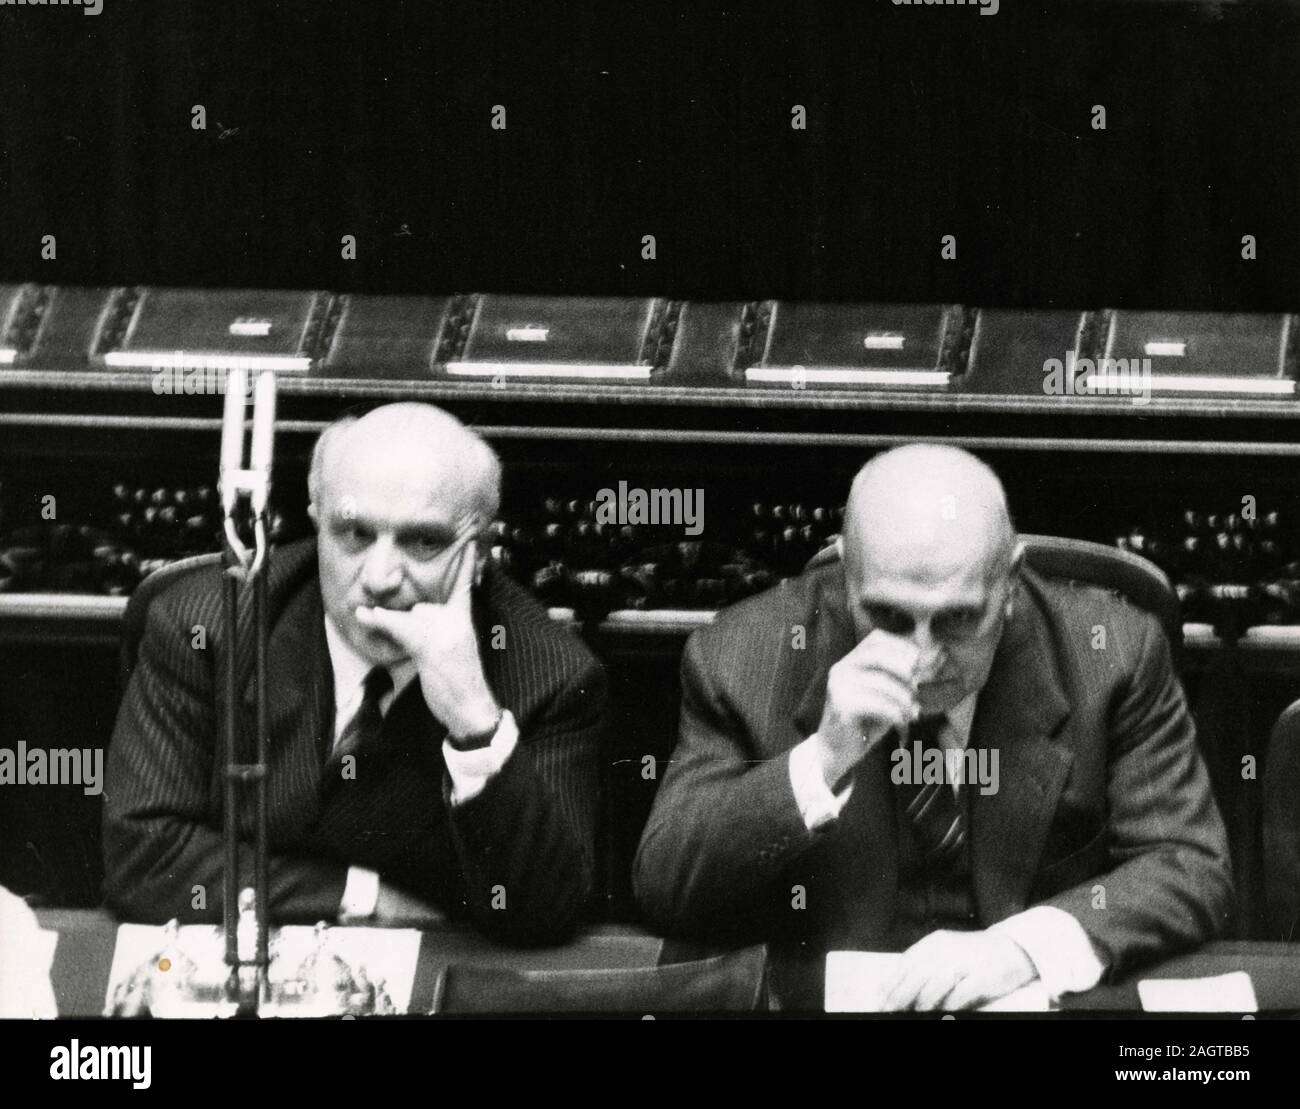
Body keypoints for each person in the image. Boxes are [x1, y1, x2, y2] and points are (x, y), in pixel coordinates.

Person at [634, 444, 1233, 1009]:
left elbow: (1187, 863)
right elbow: (667, 886)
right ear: (845, 574)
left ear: (1011, 583)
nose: (921, 656)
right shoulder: (739, 657)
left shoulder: (1115, 654)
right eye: (889, 616)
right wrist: (822, 758)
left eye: (956, 620)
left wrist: (1021, 948)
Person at [104, 403, 605, 944]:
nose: (381, 577)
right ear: (316, 519)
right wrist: (360, 896)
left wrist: (474, 722)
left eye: (424, 542)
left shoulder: (552, 674)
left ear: (479, 552)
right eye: (355, 533)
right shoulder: (207, 625)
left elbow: (542, 914)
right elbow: (146, 859)